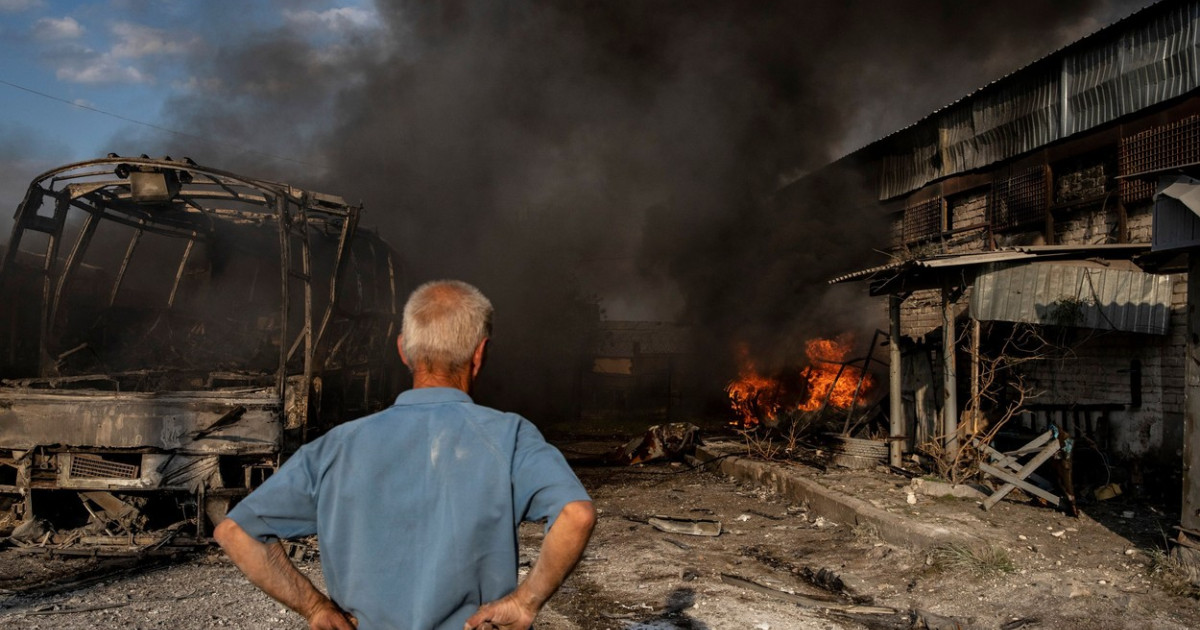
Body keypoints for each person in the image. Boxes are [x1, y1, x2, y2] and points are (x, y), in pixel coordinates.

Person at [214, 279, 596, 630]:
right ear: (480, 354)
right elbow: (575, 514)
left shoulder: (338, 446)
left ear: (403, 351)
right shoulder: (510, 436)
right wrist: (525, 603)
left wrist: (315, 608)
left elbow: (236, 531)